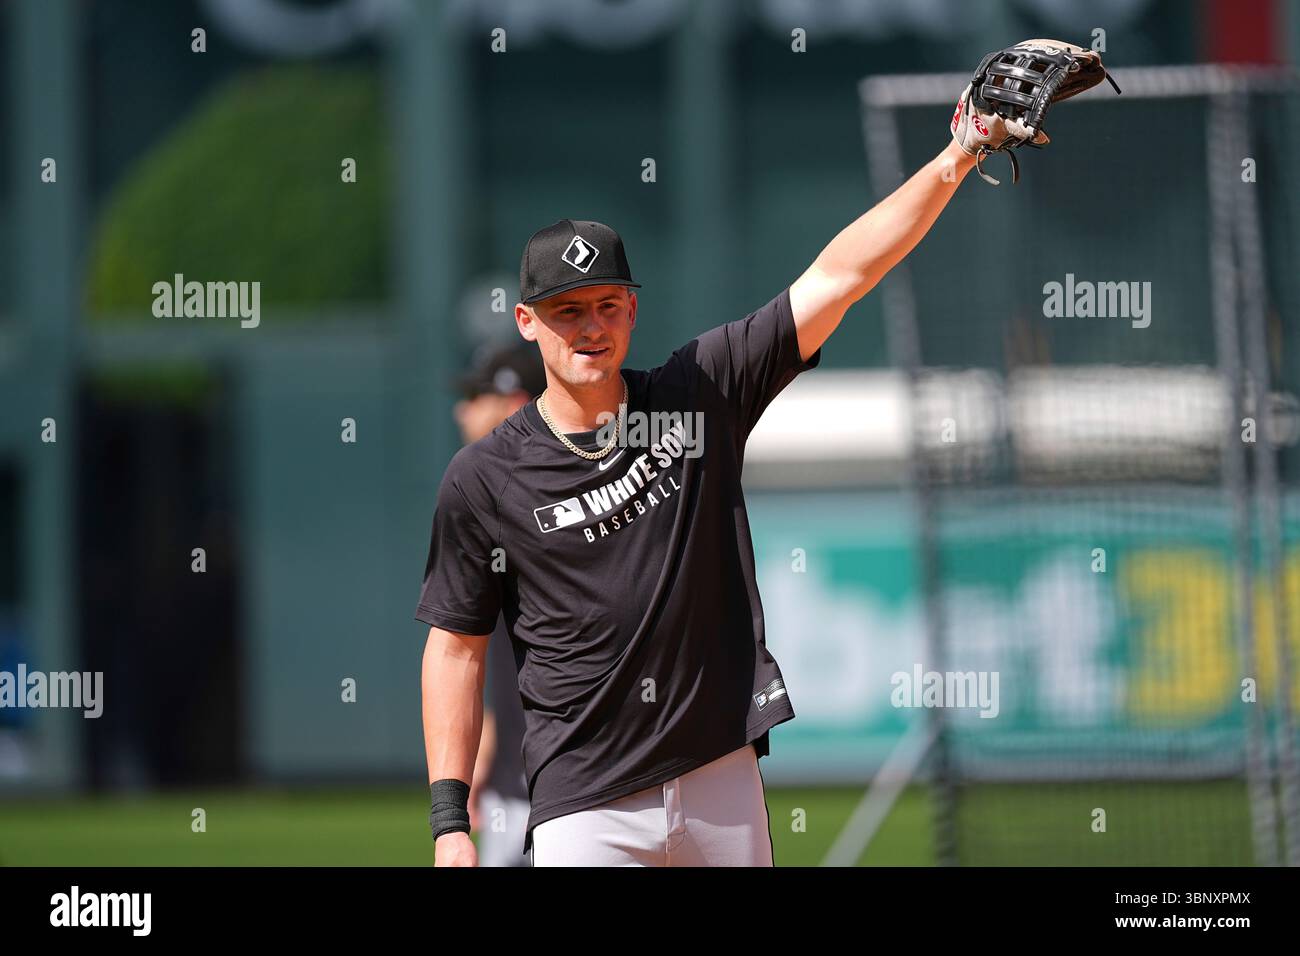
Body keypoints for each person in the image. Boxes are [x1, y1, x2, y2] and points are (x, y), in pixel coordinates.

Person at [418, 95, 1020, 865]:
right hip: (584, 803)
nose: (590, 328)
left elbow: (840, 275)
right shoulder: (483, 478)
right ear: (528, 322)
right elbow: (455, 648)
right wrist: (450, 823)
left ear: (632, 310)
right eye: (567, 311)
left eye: (607, 305)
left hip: (719, 779)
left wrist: (958, 154)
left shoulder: (698, 392)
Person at [450, 345, 546, 867]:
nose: (461, 411)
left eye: (473, 395)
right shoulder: (483, 499)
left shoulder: (559, 504)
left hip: (578, 784)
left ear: (512, 403)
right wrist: (479, 756)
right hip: (514, 784)